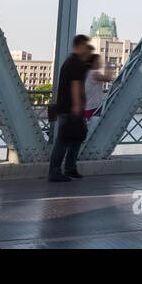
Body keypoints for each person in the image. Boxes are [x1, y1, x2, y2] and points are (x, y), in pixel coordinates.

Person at [49, 34, 93, 181]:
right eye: (86, 47)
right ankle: (55, 171)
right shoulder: (75, 63)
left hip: (67, 107)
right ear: (79, 46)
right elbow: (75, 85)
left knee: (75, 138)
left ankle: (70, 168)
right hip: (69, 108)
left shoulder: (71, 61)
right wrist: (77, 105)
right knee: (64, 140)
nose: (88, 50)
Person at [82, 54, 114, 122]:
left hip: (86, 108)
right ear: (93, 63)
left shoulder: (85, 73)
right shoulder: (94, 73)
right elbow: (108, 78)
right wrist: (109, 67)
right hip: (94, 108)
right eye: (98, 61)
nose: (100, 62)